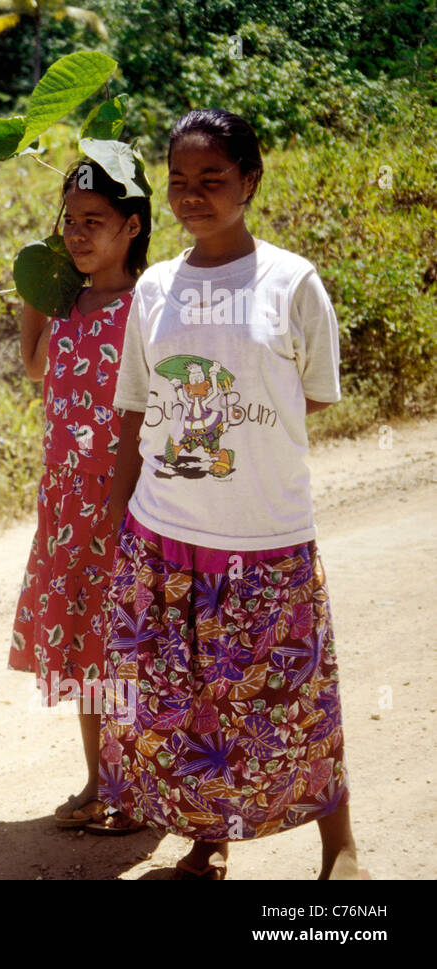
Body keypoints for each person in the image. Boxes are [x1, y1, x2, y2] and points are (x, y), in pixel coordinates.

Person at [99, 109, 361, 878]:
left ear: (250, 181)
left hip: (265, 530)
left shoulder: (291, 281)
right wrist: (119, 514)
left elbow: (311, 394)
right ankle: (206, 842)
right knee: (185, 705)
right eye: (179, 180)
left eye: (213, 178)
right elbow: (137, 408)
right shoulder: (153, 286)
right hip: (166, 531)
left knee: (296, 696)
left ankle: (340, 845)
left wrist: (238, 430)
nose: (194, 194)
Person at [9, 156, 150, 833]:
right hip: (68, 507)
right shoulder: (65, 306)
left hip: (130, 502)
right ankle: (101, 781)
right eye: (69, 221)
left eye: (95, 221)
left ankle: (138, 787)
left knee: (131, 648)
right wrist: (37, 277)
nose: (77, 233)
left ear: (132, 225)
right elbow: (35, 363)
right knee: (89, 646)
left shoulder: (150, 306)